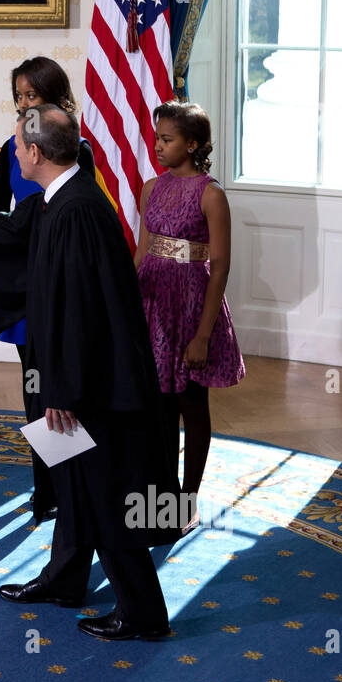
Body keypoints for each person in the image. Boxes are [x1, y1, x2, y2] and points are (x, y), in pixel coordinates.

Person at [0, 104, 182, 641]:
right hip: (72, 374)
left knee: (103, 487)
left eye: (17, 147)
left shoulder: (76, 210)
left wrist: (61, 389)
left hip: (93, 383)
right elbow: (5, 232)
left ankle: (143, 613)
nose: (13, 154)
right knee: (69, 478)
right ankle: (66, 578)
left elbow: (78, 310)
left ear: (36, 153)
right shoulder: (58, 198)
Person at [0, 56, 94, 524]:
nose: (25, 105)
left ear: (56, 98)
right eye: (20, 98)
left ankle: (71, 484)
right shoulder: (10, 150)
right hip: (27, 285)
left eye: (33, 96)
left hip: (62, 286)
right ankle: (45, 487)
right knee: (35, 391)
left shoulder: (77, 154)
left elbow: (73, 220)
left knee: (62, 388)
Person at [134, 101, 245, 531]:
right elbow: (144, 250)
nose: (158, 146)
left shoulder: (211, 194)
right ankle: (162, 494)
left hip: (192, 305)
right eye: (158, 138)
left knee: (191, 403)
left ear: (192, 144)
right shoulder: (150, 188)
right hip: (153, 304)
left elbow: (220, 266)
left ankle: (189, 497)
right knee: (158, 404)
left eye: (167, 139)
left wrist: (203, 334)